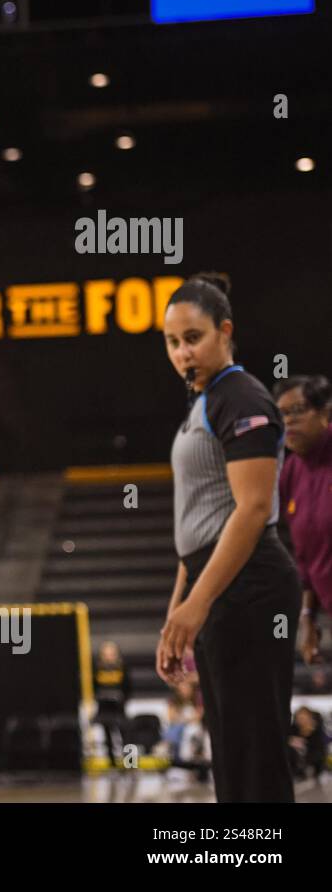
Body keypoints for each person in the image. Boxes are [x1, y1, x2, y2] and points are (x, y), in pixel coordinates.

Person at [158, 273, 301, 802]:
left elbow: (255, 508)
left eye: (192, 338)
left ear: (224, 332)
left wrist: (197, 603)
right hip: (216, 584)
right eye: (172, 342)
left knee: (255, 753)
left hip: (251, 586)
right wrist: (179, 610)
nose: (181, 352)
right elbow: (196, 519)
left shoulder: (241, 396)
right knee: (234, 752)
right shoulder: (204, 400)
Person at [271, 375, 332, 666]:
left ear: (324, 412)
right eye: (281, 414)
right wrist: (308, 618)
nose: (288, 422)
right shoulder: (291, 473)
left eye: (296, 410)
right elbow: (305, 557)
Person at [93, 641, 131, 770]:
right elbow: (93, 686)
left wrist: (123, 699)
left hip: (118, 707)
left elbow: (128, 686)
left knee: (125, 735)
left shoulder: (122, 667)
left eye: (112, 653)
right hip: (104, 707)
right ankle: (112, 764)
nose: (109, 656)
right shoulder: (97, 668)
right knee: (107, 736)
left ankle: (129, 763)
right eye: (106, 653)